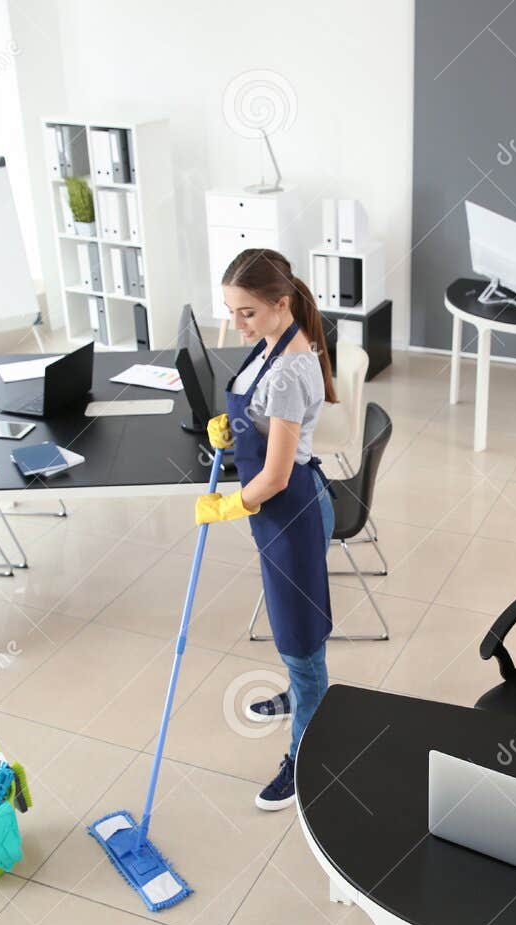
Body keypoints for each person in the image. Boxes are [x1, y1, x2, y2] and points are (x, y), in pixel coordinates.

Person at [198, 249, 337, 810]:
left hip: (290, 511)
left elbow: (276, 476)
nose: (238, 324)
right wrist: (234, 429)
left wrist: (230, 505)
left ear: (281, 304)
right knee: (288, 625)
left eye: (248, 313)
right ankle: (298, 691)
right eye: (232, 311)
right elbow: (262, 421)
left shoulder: (289, 369)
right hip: (283, 510)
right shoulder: (274, 342)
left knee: (302, 641)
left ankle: (308, 753)